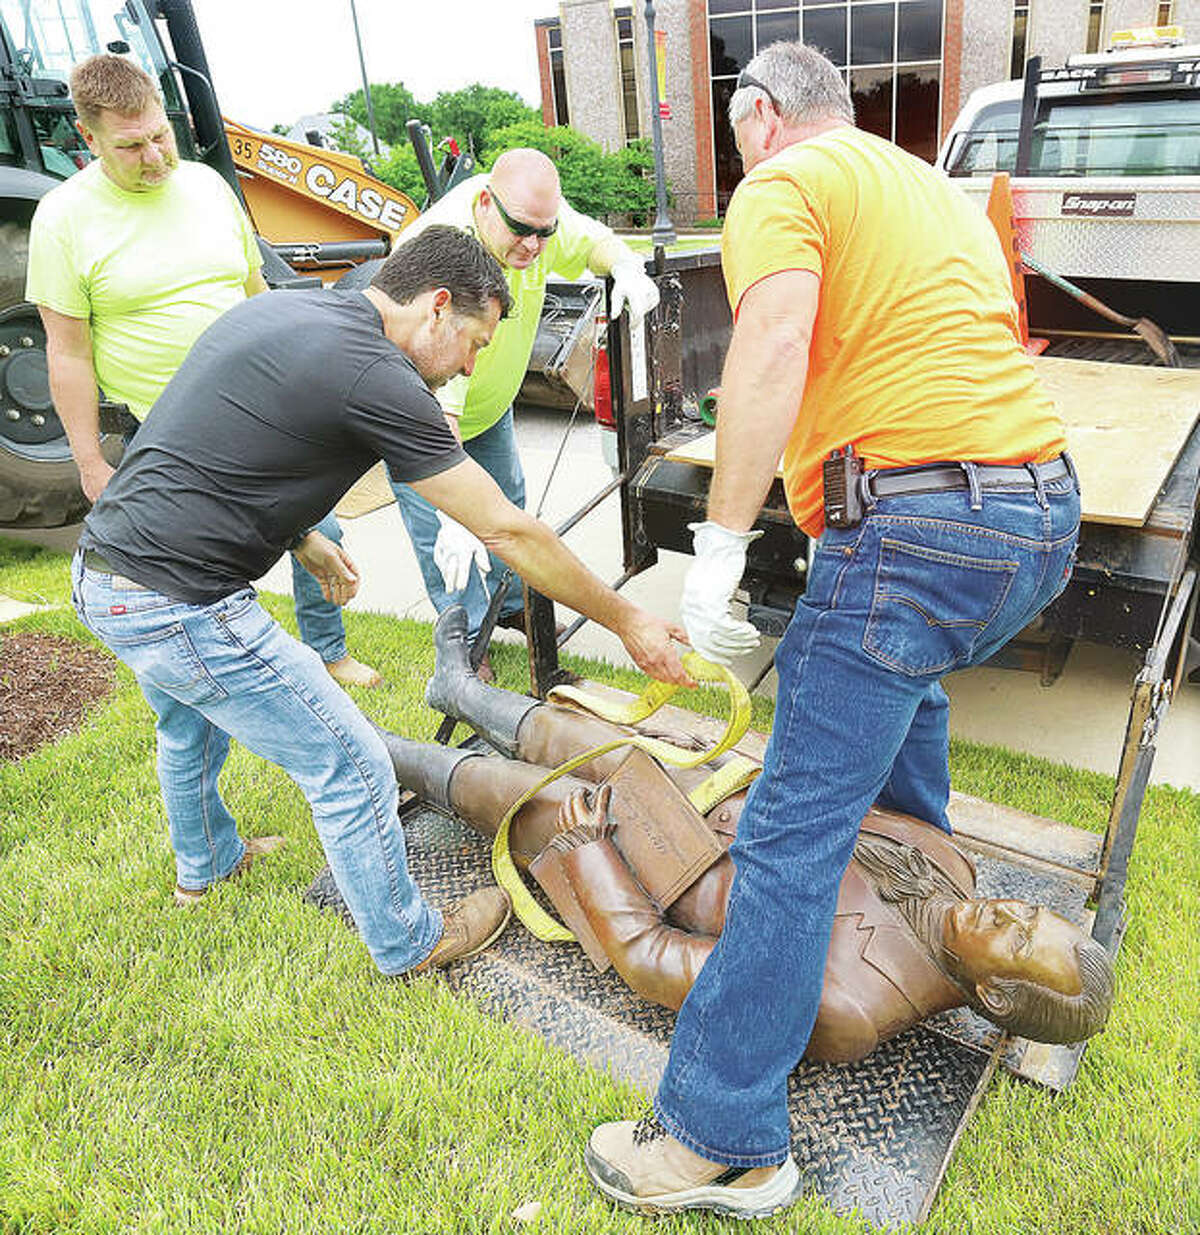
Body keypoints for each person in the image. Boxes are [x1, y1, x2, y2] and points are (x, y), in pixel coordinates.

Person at [582, 41, 1083, 1218]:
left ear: (758, 115)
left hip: (919, 526)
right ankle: (924, 888)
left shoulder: (780, 184)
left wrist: (717, 545)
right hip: (1037, 510)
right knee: (906, 675)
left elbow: (770, 346)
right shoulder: (922, 185)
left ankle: (723, 1137)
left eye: (738, 125)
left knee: (788, 838)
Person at [70, 225, 689, 979]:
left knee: (190, 724)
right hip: (178, 601)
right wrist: (628, 619)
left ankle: (208, 863)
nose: (470, 363)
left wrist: (302, 535)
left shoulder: (291, 314)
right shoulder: (377, 374)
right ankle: (409, 941)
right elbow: (505, 528)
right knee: (352, 764)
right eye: (475, 341)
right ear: (435, 307)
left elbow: (220, 444)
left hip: (107, 573)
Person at [370, 605, 1113, 1062]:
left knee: (508, 791)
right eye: (1033, 914)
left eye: (1019, 941)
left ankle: (365, 751)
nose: (1012, 913)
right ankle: (461, 689)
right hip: (703, 788)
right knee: (573, 731)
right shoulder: (949, 861)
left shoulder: (852, 1006)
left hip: (638, 858)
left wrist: (587, 851)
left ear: (995, 993)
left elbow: (653, 961)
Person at [26, 53, 380, 689]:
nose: (157, 157)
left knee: (316, 523)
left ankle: (328, 652)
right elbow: (67, 352)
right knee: (189, 577)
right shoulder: (62, 218)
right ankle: (197, 680)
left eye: (161, 135)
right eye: (131, 147)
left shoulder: (209, 187)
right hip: (165, 432)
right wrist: (88, 461)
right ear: (89, 137)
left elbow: (255, 295)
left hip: (263, 409)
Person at [386, 147, 661, 678]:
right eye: (522, 232)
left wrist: (624, 265)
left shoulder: (531, 221)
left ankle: (514, 609)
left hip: (489, 406)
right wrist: (452, 505)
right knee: (448, 538)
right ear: (485, 202)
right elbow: (432, 395)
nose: (535, 246)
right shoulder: (441, 254)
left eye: (544, 232)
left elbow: (594, 240)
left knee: (509, 507)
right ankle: (464, 646)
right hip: (421, 413)